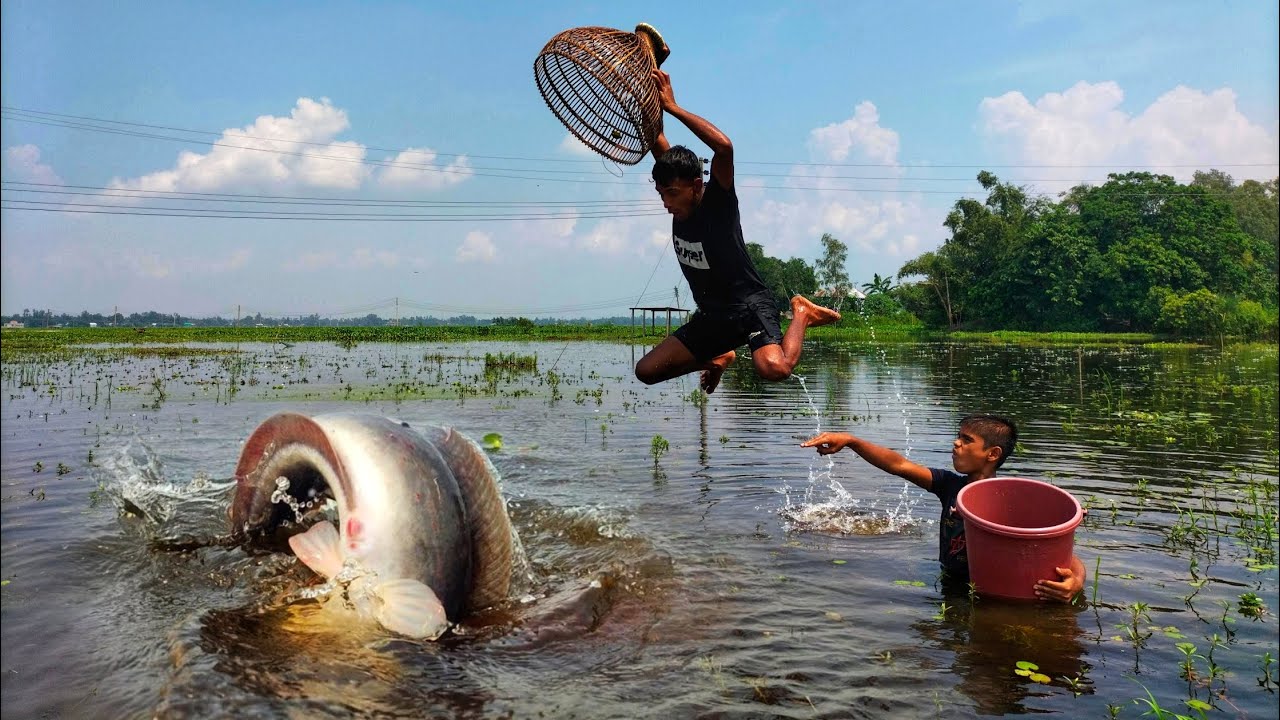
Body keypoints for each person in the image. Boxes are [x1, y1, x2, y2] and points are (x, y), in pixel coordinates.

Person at [634, 68, 841, 394]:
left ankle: (801, 312)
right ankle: (718, 358)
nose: (666, 203)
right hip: (713, 317)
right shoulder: (676, 184)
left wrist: (672, 107)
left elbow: (724, 148)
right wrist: (643, 96)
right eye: (661, 194)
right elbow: (656, 138)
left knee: (775, 368)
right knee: (646, 370)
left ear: (696, 186)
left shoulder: (717, 203)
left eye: (672, 193)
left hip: (749, 307)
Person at [801, 414, 1085, 603]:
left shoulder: (1009, 500)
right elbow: (898, 464)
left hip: (996, 593)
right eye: (958, 436)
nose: (956, 443)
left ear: (993, 454)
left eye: (966, 440)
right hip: (951, 585)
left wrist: (1076, 582)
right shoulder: (950, 486)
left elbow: (1062, 551)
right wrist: (852, 441)